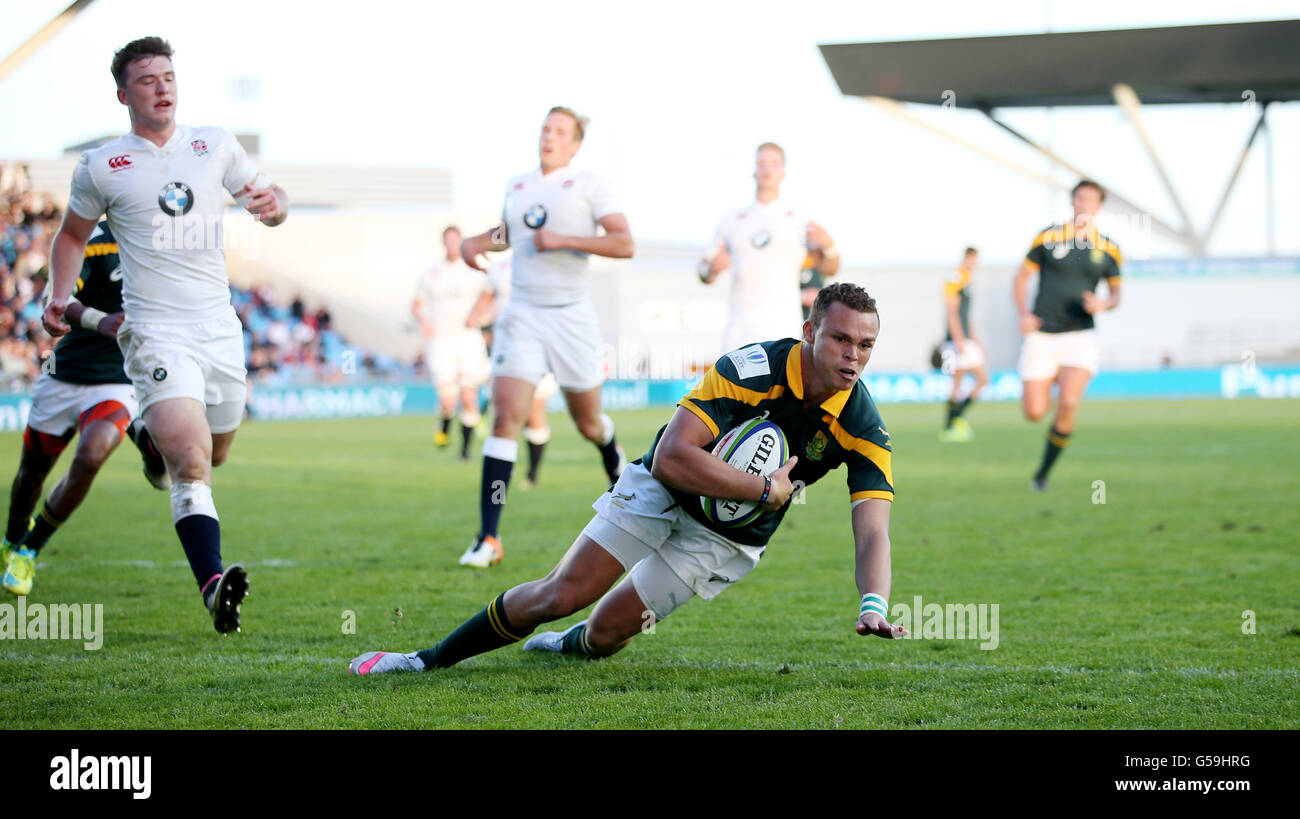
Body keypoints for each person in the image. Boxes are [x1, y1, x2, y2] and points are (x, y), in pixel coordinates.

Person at [348, 282, 906, 676]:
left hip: (727, 536)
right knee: (565, 592)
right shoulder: (749, 368)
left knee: (607, 633)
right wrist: (764, 491)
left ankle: (567, 647)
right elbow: (671, 458)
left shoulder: (863, 426)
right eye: (840, 339)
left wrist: (874, 604)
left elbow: (873, 531)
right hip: (664, 490)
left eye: (865, 345)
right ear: (809, 331)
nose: (852, 356)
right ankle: (426, 659)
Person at [42, 36, 288, 632]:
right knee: (193, 463)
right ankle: (211, 585)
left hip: (219, 329)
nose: (163, 87)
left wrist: (274, 204)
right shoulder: (103, 165)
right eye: (149, 79)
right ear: (125, 94)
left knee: (218, 451)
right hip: (154, 333)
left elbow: (272, 200)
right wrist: (58, 293)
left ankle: (152, 447)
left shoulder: (214, 144)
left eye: (169, 76)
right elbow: (72, 236)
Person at [453, 106, 634, 569]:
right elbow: (510, 231)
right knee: (504, 421)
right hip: (523, 317)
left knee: (588, 424)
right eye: (545, 129)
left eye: (560, 132)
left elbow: (623, 242)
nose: (549, 137)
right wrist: (476, 241)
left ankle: (612, 453)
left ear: (575, 144)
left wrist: (568, 240)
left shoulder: (590, 184)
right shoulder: (518, 185)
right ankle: (488, 537)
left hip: (572, 319)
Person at [1, 222, 135, 595]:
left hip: (118, 382)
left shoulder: (166, 241)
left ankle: (29, 549)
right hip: (64, 374)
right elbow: (58, 301)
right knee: (30, 476)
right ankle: (12, 541)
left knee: (91, 456)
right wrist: (101, 320)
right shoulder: (92, 239)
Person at [1013, 180, 1121, 491]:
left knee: (1069, 402)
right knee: (1034, 412)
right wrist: (1023, 314)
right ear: (1073, 202)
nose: (1085, 204)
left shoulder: (1108, 247)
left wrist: (1104, 303)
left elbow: (1116, 295)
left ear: (1099, 206)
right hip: (1042, 336)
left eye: (1091, 200)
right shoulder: (1048, 237)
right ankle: (1052, 378)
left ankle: (1043, 473)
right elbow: (1020, 279)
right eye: (1080, 198)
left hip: (1080, 336)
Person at [700, 142, 839, 354]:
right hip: (738, 333)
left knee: (783, 386)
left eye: (774, 164)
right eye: (762, 163)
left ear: (783, 172)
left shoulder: (799, 218)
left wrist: (828, 247)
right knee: (731, 387)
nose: (767, 169)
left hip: (783, 332)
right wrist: (710, 269)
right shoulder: (732, 221)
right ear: (754, 170)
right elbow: (703, 272)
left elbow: (829, 267)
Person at [466, 252, 555, 489]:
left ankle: (533, 473)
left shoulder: (548, 258)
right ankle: (490, 520)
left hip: (542, 346)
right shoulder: (499, 267)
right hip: (509, 349)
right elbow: (486, 299)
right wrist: (474, 319)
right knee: (505, 418)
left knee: (537, 415)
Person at [411, 225, 489, 460]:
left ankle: (464, 451)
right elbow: (416, 305)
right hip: (441, 340)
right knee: (448, 401)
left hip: (467, 338)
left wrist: (478, 317)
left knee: (468, 396)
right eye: (449, 240)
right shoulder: (432, 273)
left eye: (456, 240)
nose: (452, 244)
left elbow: (489, 296)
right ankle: (444, 423)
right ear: (443, 243)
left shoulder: (475, 271)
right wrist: (424, 322)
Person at [939, 247, 989, 442]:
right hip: (956, 341)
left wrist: (976, 340)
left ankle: (953, 423)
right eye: (972, 259)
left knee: (966, 382)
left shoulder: (967, 280)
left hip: (965, 339)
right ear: (966, 258)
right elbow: (951, 311)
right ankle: (953, 422)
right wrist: (958, 338)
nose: (974, 263)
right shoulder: (956, 277)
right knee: (974, 379)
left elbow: (966, 316)